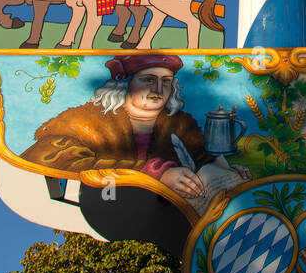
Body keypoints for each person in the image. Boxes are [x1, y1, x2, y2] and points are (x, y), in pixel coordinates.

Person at [20, 54, 211, 199]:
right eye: (148, 80)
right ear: (125, 85)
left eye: (166, 82)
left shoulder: (182, 125)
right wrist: (154, 174)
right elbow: (53, 157)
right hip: (101, 204)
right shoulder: (83, 121)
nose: (158, 89)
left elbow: (199, 160)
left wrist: (225, 169)